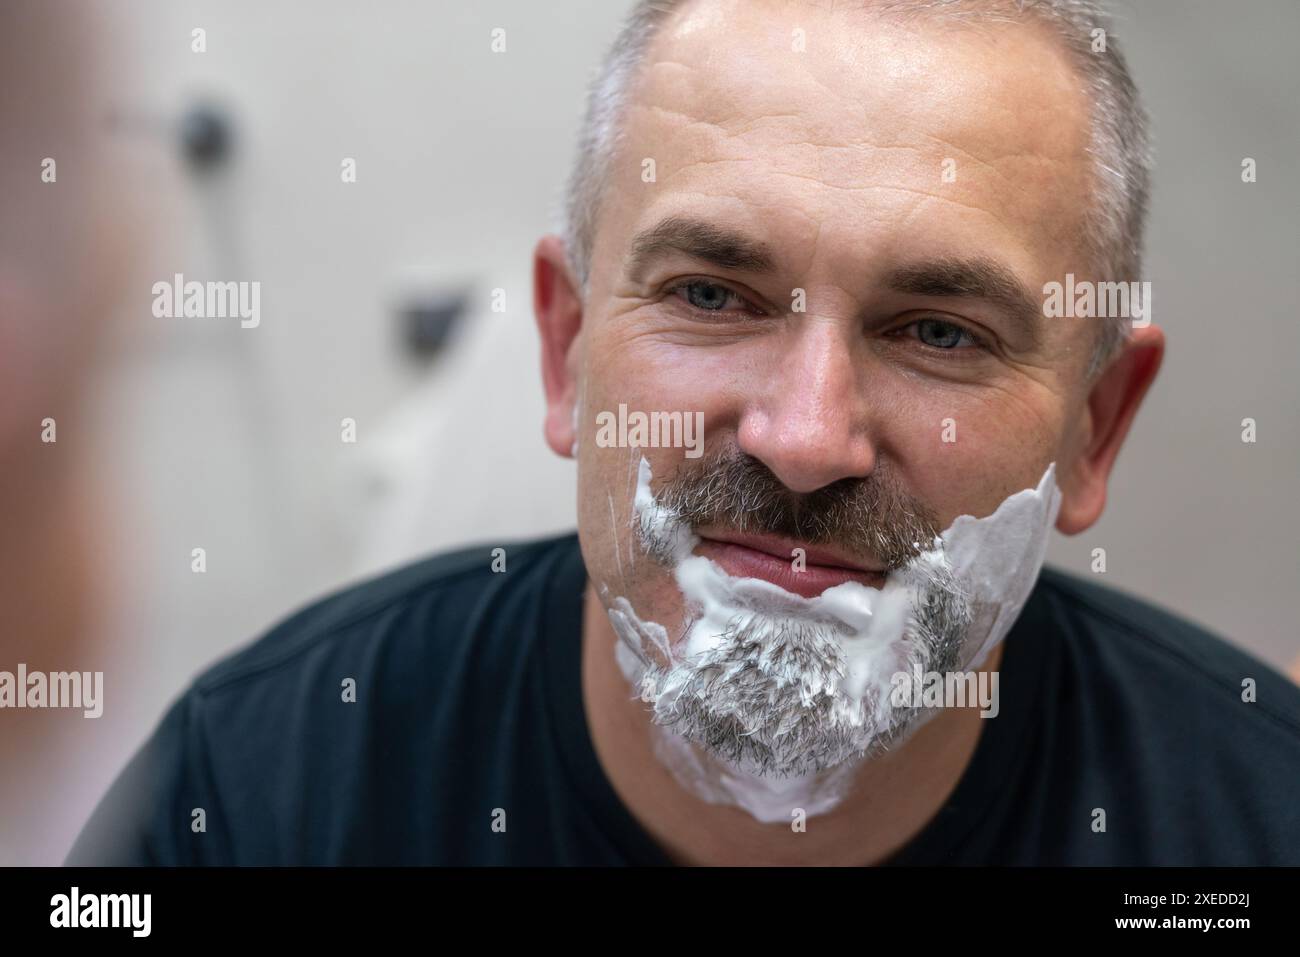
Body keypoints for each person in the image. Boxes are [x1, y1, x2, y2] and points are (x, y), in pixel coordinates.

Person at [68, 0, 1300, 866]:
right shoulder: (255, 795)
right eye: (712, 297)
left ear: (1095, 427)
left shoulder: (1259, 818)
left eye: (938, 332)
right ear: (564, 350)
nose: (806, 439)